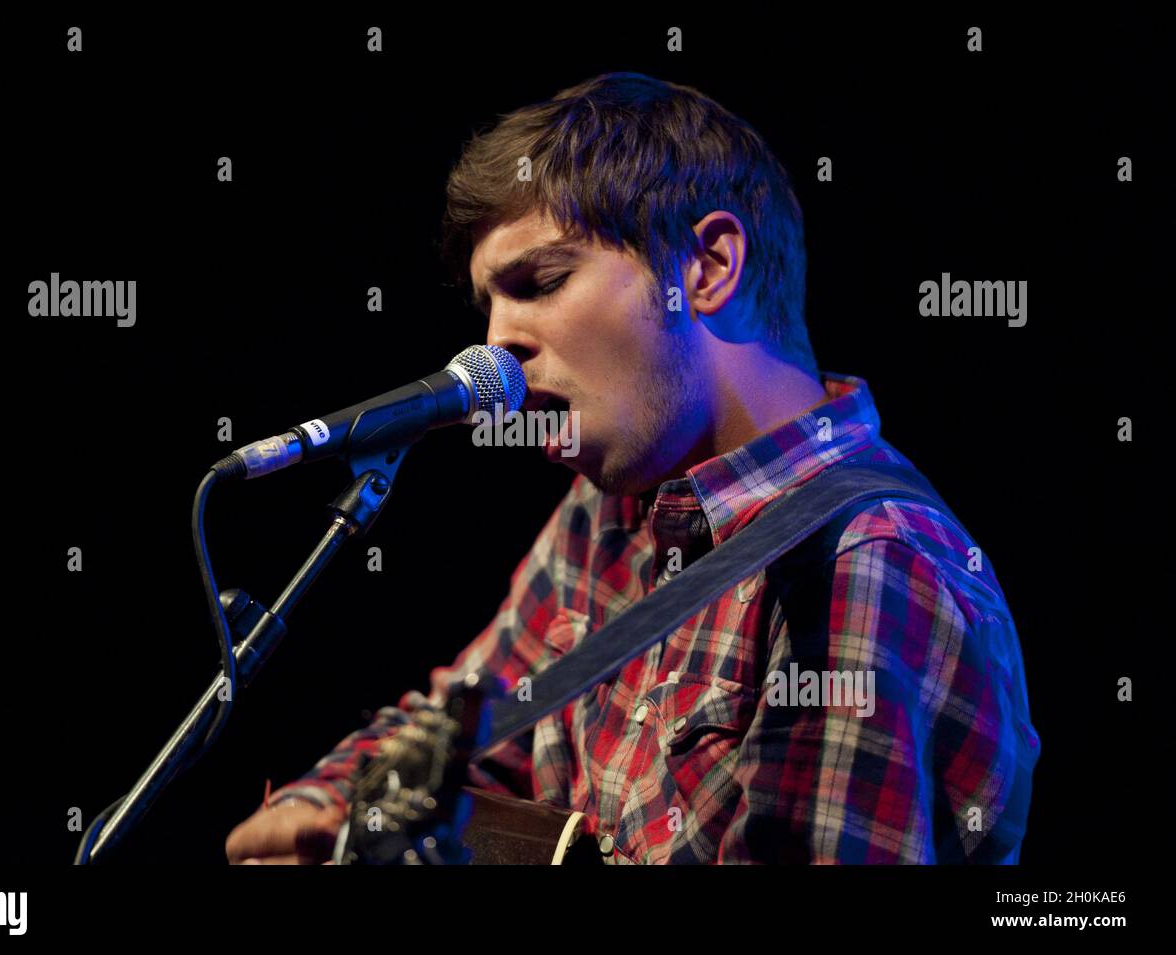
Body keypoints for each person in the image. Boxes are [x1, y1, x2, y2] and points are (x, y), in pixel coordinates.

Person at [225, 72, 1040, 865]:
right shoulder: (609, 506)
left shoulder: (864, 564)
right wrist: (326, 810)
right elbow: (466, 728)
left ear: (709, 268)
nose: (492, 344)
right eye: (487, 308)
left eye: (539, 281)